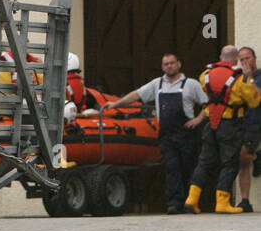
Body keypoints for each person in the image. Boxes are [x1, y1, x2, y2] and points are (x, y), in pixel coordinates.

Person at [103, 52, 208, 214]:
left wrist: (198, 120)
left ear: (179, 64)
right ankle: (174, 203)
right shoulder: (156, 84)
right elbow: (136, 95)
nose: (169, 66)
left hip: (186, 133)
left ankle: (189, 202)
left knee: (188, 168)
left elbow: (207, 105)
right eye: (166, 64)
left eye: (172, 63)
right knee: (172, 168)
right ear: (162, 67)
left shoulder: (191, 84)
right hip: (166, 135)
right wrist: (116, 104)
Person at [183, 45, 261, 214]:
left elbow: (206, 94)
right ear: (235, 60)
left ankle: (192, 200)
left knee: (204, 161)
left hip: (210, 124)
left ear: (220, 57)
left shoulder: (205, 75)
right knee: (230, 162)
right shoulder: (240, 78)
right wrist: (249, 80)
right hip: (230, 125)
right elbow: (254, 101)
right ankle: (222, 202)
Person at [234, 46, 260, 211]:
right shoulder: (238, 79)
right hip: (245, 123)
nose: (245, 62)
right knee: (241, 159)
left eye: (247, 58)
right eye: (241, 59)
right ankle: (245, 200)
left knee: (244, 155)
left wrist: (250, 78)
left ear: (254, 58)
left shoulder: (257, 76)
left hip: (258, 121)